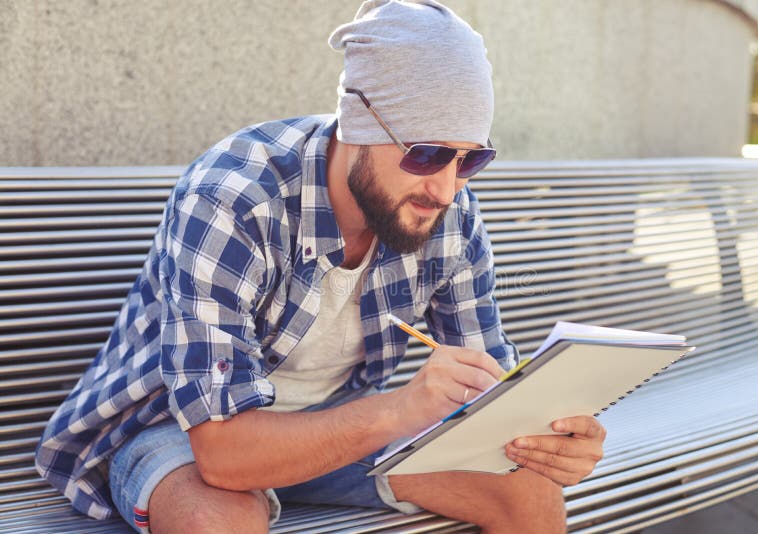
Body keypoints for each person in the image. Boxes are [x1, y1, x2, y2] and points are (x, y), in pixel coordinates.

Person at [35, 1, 606, 532]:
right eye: (426, 153)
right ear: (360, 126)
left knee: (530, 493)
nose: (445, 186)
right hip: (185, 432)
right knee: (218, 520)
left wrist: (545, 438)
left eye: (471, 159)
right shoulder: (233, 199)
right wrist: (402, 409)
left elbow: (490, 388)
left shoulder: (448, 211)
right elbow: (225, 455)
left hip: (341, 423)